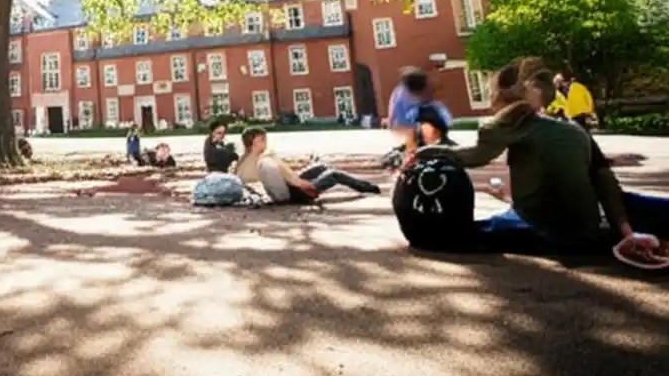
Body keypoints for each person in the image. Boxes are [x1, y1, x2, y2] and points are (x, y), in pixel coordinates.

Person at [416, 58, 666, 255]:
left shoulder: (500, 126)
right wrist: (625, 231)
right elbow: (603, 179)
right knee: (636, 204)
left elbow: (472, 157)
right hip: (590, 221)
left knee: (482, 230)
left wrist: (425, 152)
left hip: (549, 228)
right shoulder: (573, 128)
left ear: (499, 96)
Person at [237, 127, 380, 203]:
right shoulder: (264, 158)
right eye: (263, 139)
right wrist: (301, 183)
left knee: (321, 167)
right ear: (255, 141)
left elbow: (243, 178)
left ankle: (363, 185)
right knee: (333, 174)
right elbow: (280, 171)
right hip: (296, 193)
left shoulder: (246, 159)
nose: (266, 142)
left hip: (288, 186)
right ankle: (368, 188)